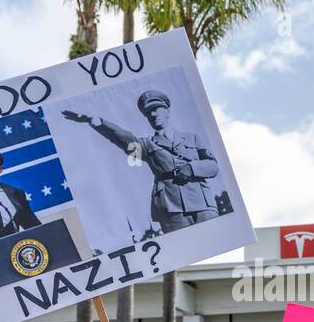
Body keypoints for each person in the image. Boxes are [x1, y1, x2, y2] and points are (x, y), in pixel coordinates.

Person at [62, 91, 222, 235]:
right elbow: (124, 139)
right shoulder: (145, 145)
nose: (153, 114)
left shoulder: (192, 138)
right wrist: (96, 121)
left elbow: (213, 167)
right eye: (148, 112)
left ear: (167, 111)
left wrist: (192, 168)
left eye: (157, 109)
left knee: (216, 241)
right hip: (172, 208)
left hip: (203, 204)